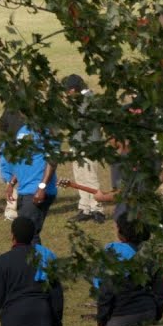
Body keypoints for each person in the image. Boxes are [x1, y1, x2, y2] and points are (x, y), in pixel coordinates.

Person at [0, 121, 58, 237]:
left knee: (27, 235)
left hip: (36, 190)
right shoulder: (23, 129)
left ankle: (37, 255)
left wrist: (41, 187)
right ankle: (35, 255)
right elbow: (24, 160)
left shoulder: (45, 130)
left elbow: (53, 160)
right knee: (28, 236)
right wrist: (11, 183)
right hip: (24, 190)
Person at [62, 74, 107, 223]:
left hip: (89, 144)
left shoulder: (89, 99)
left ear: (73, 89)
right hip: (78, 144)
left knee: (90, 177)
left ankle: (97, 209)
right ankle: (85, 207)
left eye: (68, 91)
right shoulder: (78, 101)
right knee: (80, 177)